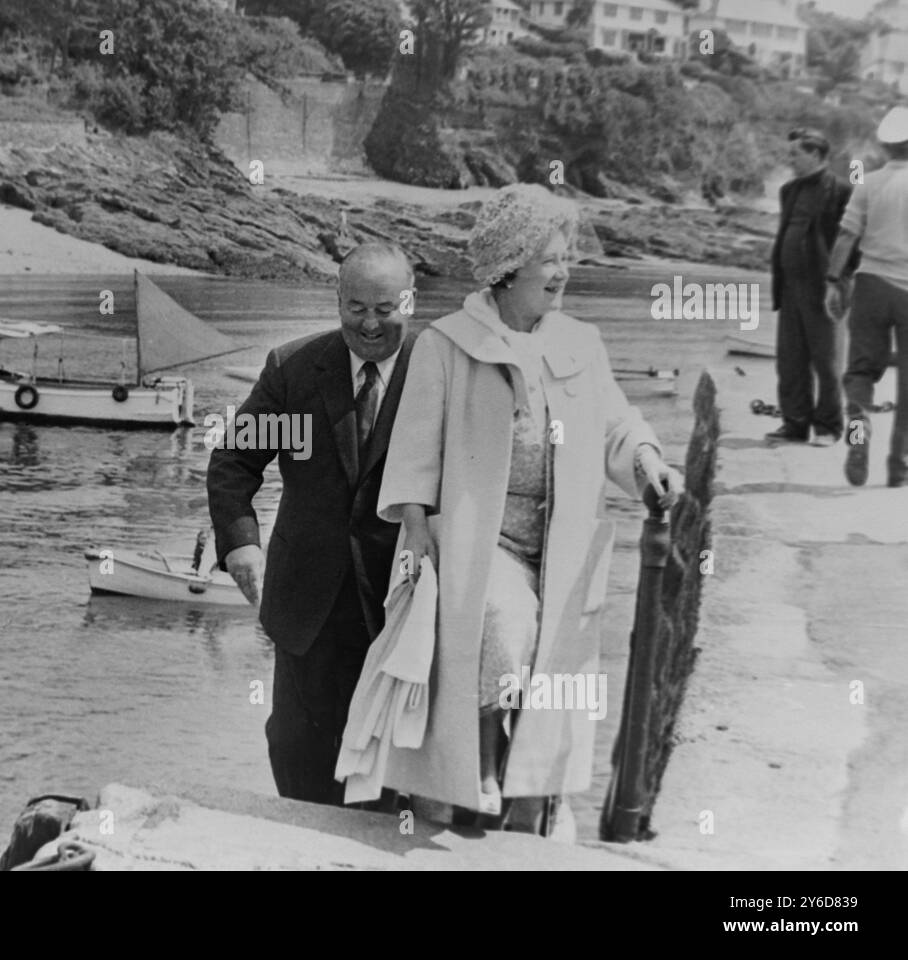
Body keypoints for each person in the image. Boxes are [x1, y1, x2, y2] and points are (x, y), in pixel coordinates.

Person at [375, 184, 684, 837]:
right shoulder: (445, 343)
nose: (564, 271)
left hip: (562, 548)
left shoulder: (581, 342)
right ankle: (479, 769)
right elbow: (413, 451)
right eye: (551, 259)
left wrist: (646, 459)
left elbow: (615, 425)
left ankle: (533, 802)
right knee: (504, 621)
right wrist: (417, 533)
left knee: (552, 677)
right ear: (510, 265)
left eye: (567, 257)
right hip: (478, 540)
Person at [207, 243, 417, 806]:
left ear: (410, 302)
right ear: (337, 301)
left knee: (391, 766)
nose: (369, 324)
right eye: (355, 308)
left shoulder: (440, 370)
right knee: (296, 748)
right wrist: (241, 545)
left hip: (402, 606)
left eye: (384, 309)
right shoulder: (295, 369)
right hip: (307, 604)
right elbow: (234, 461)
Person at [826, 106, 908, 488]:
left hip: (871, 285)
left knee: (860, 372)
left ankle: (859, 430)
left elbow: (846, 236)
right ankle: (898, 468)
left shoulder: (868, 183)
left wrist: (833, 281)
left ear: (885, 146)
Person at [767, 127, 852, 446]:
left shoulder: (842, 190)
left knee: (827, 361)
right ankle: (795, 423)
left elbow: (853, 241)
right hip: (790, 287)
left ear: (815, 154)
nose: (789, 160)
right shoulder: (788, 190)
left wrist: (838, 282)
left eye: (795, 154)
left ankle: (828, 427)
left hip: (824, 288)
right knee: (790, 359)